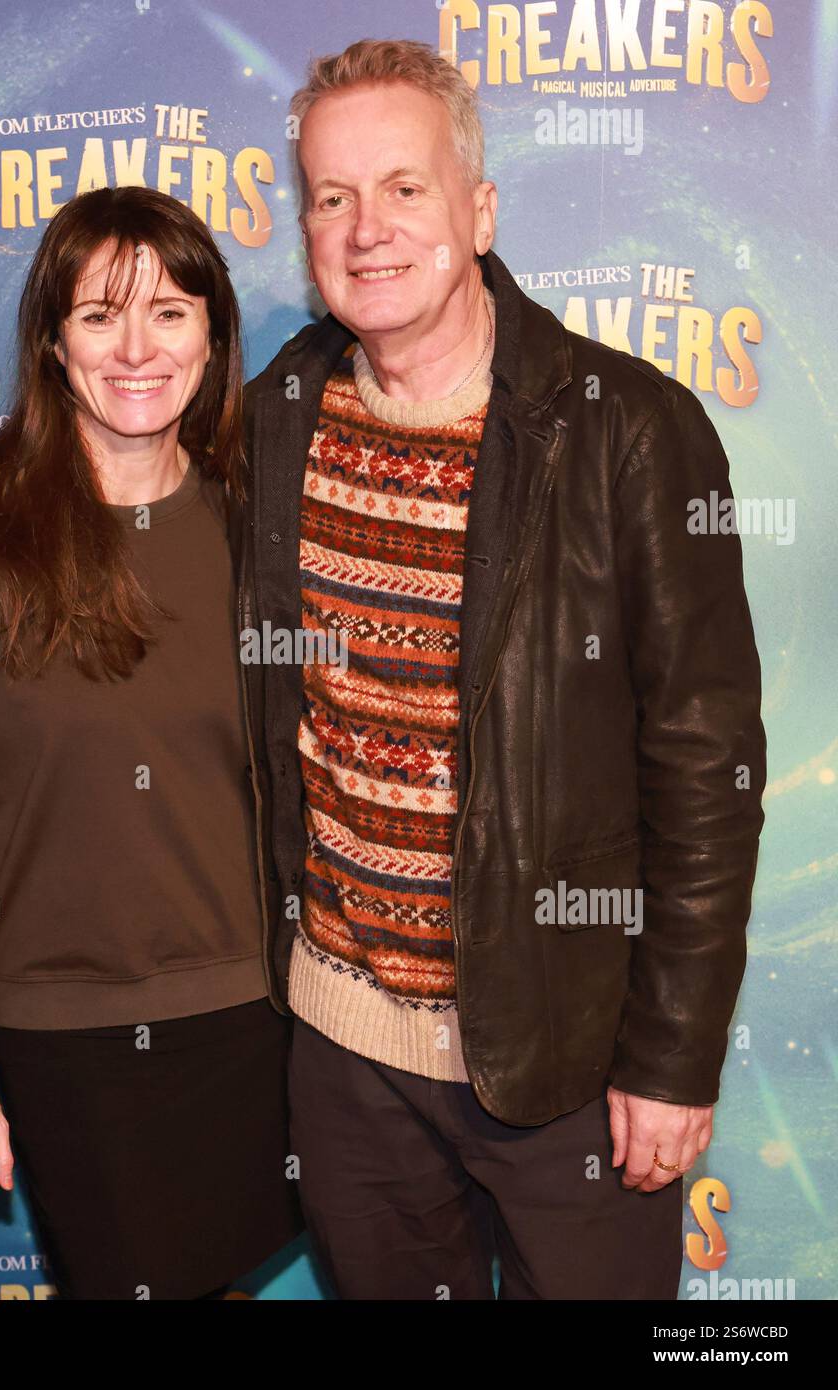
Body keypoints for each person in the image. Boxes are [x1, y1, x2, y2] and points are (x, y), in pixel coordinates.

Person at [240, 38, 766, 1299]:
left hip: (563, 1059)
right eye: (330, 196)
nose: (365, 229)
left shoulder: (627, 430)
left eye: (403, 188)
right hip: (340, 1048)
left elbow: (706, 769)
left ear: (477, 210)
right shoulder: (278, 411)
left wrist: (672, 1058)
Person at [0, 185, 302, 1300]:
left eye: (169, 311)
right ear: (53, 342)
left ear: (212, 338)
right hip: (68, 1040)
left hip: (271, 1025)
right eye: (98, 313)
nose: (135, 348)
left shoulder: (259, 523)